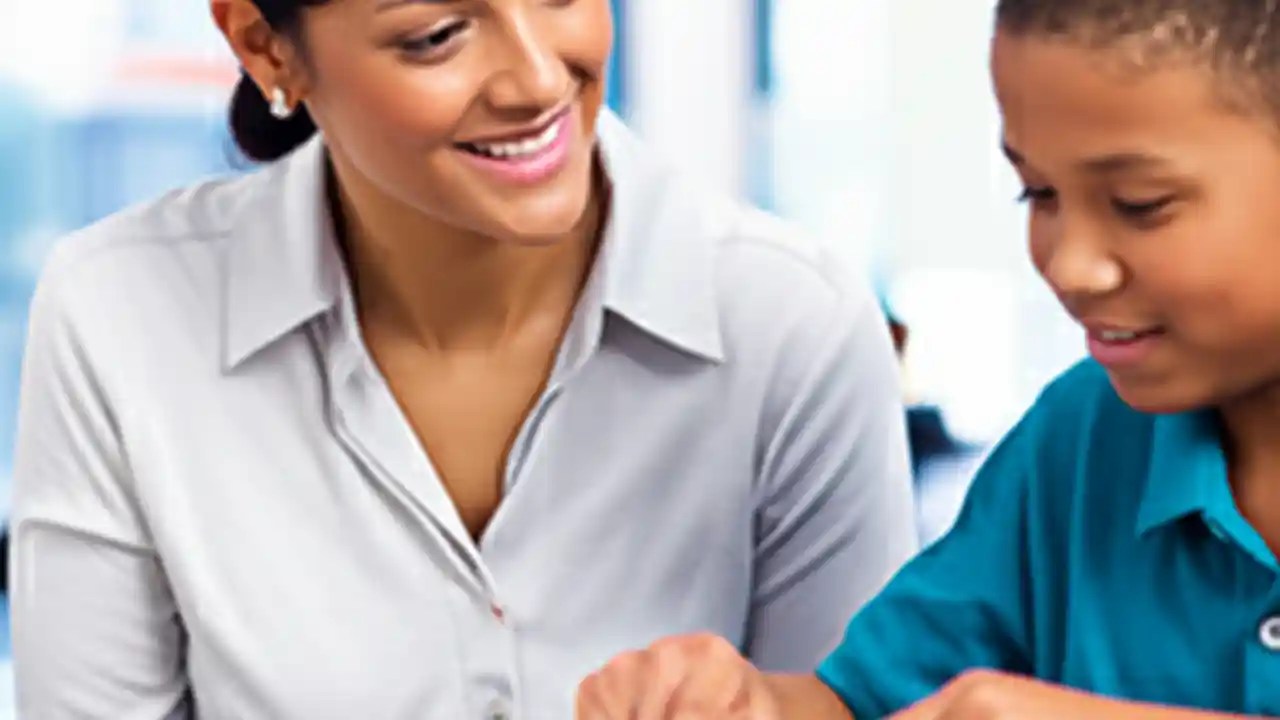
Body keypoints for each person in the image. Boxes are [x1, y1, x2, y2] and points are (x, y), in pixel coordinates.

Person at [8, 0, 918, 717]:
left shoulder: (790, 319)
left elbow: (845, 706)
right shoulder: (119, 313)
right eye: (437, 36)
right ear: (266, 46)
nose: (535, 78)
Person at [576, 0, 1280, 717]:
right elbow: (858, 701)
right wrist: (744, 704)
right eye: (1037, 193)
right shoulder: (1083, 437)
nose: (1070, 266)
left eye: (1140, 203)